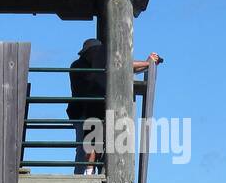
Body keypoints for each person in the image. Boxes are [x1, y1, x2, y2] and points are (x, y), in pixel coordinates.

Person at [67, 39, 161, 174]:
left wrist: (147, 63)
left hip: (88, 110)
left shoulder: (80, 65)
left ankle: (85, 175)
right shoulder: (85, 65)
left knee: (89, 146)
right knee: (88, 146)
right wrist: (148, 63)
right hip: (86, 110)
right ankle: (84, 176)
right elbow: (123, 66)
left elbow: (123, 67)